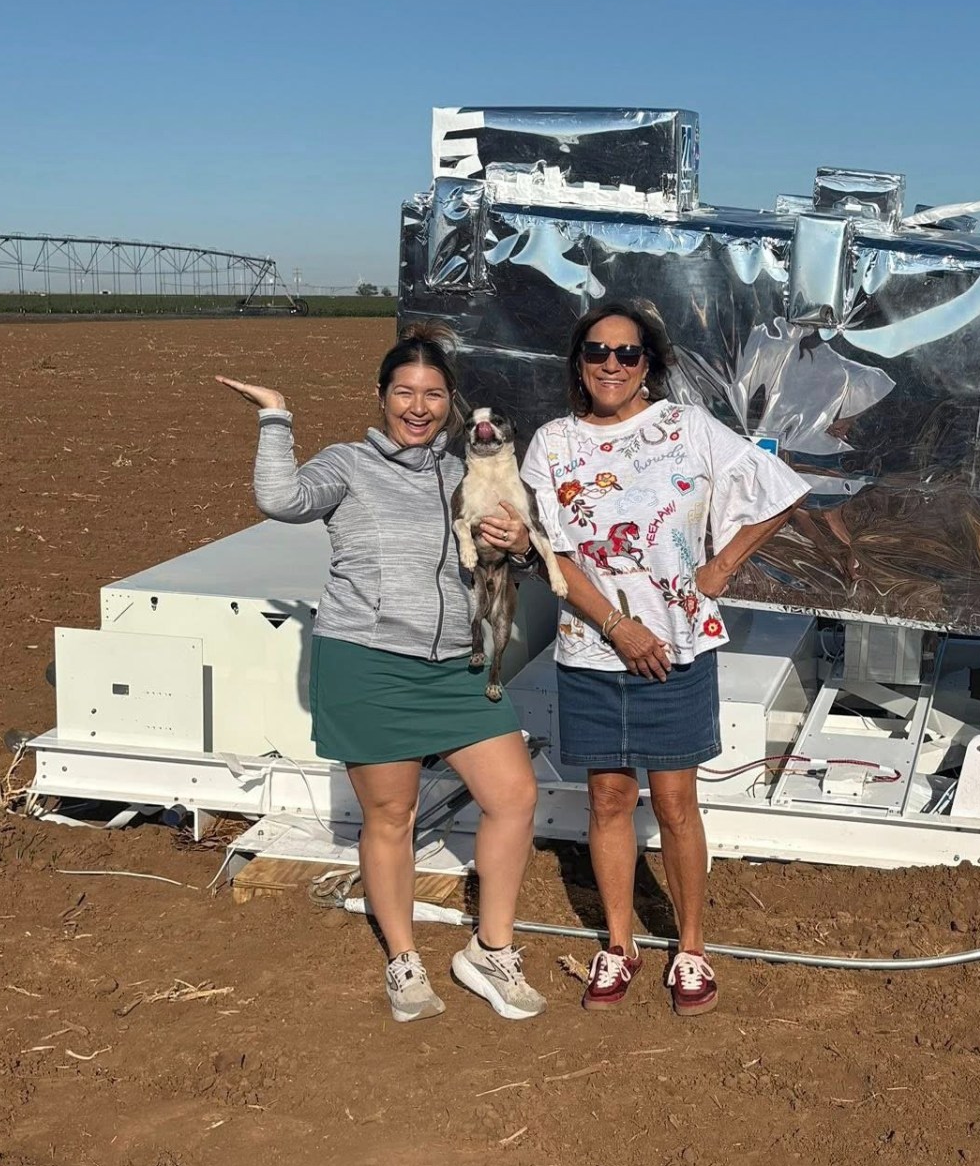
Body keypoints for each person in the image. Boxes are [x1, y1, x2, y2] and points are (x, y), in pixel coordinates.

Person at [215, 324, 549, 1024]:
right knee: (392, 816)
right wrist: (276, 416)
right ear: (382, 395)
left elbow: (509, 564)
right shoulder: (348, 465)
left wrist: (520, 546)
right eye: (405, 392)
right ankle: (403, 959)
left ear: (450, 403)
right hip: (369, 664)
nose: (418, 407)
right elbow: (282, 500)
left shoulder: (465, 473)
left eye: (433, 394)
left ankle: (491, 950)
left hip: (455, 665)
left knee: (515, 795)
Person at [521, 299, 807, 1016]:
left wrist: (724, 565)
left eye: (627, 352)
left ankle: (691, 948)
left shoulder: (687, 428)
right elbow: (554, 554)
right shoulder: (552, 444)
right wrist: (617, 626)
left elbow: (780, 489)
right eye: (597, 351)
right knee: (609, 799)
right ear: (578, 364)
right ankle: (619, 945)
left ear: (647, 363)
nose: (611, 364)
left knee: (677, 803)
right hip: (592, 650)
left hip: (678, 647)